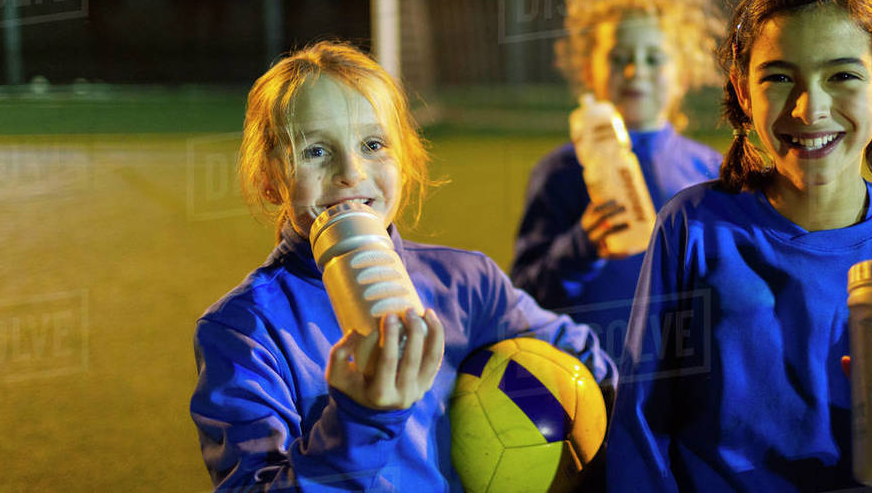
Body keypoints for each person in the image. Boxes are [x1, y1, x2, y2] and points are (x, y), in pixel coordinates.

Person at [607, 0, 872, 491]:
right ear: (743, 90)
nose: (809, 109)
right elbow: (641, 427)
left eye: (842, 76)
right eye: (780, 77)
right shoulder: (693, 229)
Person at [189, 40, 615, 492]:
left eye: (372, 144)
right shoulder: (245, 330)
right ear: (269, 179)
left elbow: (585, 362)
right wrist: (360, 419)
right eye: (315, 151)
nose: (351, 172)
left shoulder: (468, 285)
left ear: (405, 160)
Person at [510, 0, 724, 364]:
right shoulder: (560, 171)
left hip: (681, 383)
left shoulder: (711, 171)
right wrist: (580, 247)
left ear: (684, 74)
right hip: (588, 382)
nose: (634, 69)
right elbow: (525, 295)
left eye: (653, 58)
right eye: (618, 57)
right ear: (589, 70)